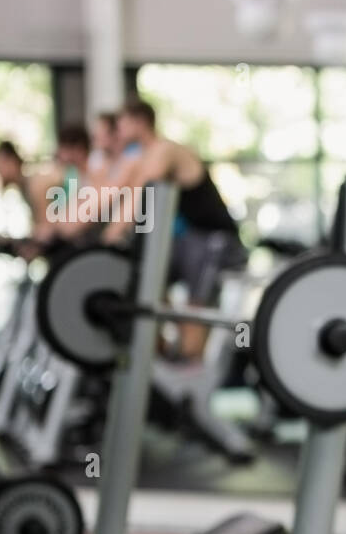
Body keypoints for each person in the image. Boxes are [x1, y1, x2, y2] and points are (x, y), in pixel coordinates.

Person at [102, 99, 248, 362]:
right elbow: (114, 193)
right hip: (185, 242)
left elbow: (138, 195)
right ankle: (164, 358)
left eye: (121, 124)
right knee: (147, 282)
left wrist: (109, 238)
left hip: (214, 240)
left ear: (139, 121)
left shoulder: (164, 150)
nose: (118, 131)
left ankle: (190, 366)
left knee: (193, 306)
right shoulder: (141, 157)